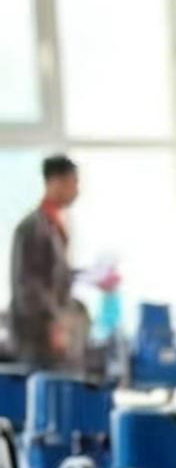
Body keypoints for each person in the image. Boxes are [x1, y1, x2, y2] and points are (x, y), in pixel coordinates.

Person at [10, 153, 88, 372]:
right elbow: (29, 286)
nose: (76, 190)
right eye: (73, 183)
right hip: (38, 337)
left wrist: (88, 276)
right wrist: (53, 324)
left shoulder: (54, 224)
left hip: (53, 333)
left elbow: (53, 275)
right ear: (55, 182)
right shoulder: (33, 227)